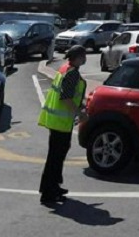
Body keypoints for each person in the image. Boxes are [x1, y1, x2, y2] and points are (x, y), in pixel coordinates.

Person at [37, 44, 87, 205]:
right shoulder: (72, 74)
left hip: (57, 122)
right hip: (60, 123)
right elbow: (66, 98)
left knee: (55, 157)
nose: (85, 58)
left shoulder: (65, 68)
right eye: (83, 56)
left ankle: (53, 187)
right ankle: (48, 192)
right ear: (78, 58)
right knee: (56, 158)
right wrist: (80, 113)